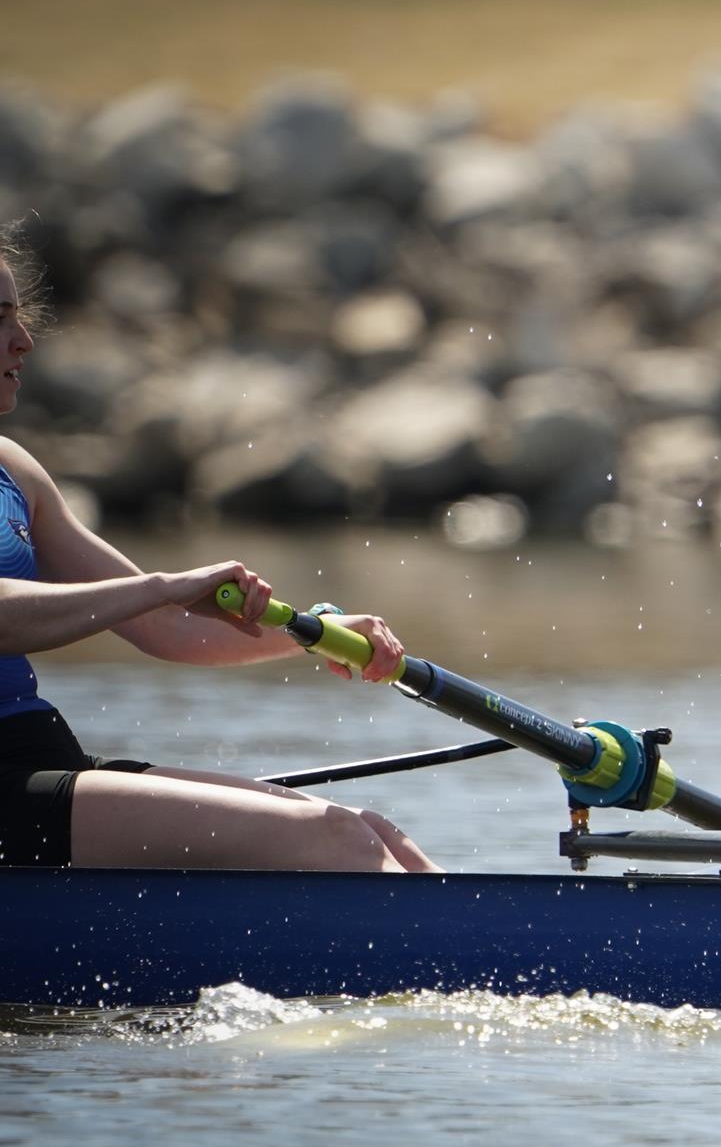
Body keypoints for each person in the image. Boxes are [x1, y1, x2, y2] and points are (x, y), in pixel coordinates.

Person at [0, 224, 438, 872]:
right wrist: (163, 582)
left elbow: (167, 626)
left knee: (373, 832)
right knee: (336, 845)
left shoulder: (15, 471)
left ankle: (511, 973)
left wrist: (317, 631)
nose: (25, 340)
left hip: (41, 760)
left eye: (20, 316)